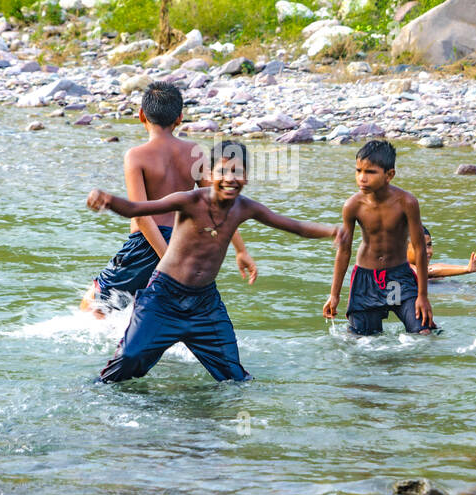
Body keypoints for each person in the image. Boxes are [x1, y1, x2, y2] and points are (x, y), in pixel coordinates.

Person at [86, 141, 338, 382]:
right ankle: (94, 398)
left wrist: (332, 232)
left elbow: (295, 227)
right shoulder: (190, 200)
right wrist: (108, 199)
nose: (230, 178)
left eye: (237, 172)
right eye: (223, 171)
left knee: (234, 377)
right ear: (209, 173)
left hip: (205, 305)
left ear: (247, 177)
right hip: (163, 298)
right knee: (128, 361)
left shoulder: (245, 207)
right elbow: (136, 209)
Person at [81, 81, 256, 316]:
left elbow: (142, 217)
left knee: (94, 303)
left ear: (141, 115)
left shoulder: (136, 156)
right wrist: (241, 250)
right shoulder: (195, 153)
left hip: (146, 246)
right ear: (179, 118)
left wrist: (167, 261)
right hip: (183, 244)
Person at [323, 140, 434, 335]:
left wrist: (423, 295)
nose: (362, 178)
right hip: (367, 280)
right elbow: (344, 250)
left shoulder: (406, 202)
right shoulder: (352, 205)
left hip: (399, 277)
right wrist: (334, 295)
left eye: (370, 172)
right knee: (364, 342)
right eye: (358, 171)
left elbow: (419, 248)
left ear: (389, 175)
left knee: (423, 332)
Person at [408, 226, 476, 279]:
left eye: (429, 245)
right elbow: (426, 271)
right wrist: (466, 269)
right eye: (420, 246)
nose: (427, 251)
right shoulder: (404, 267)